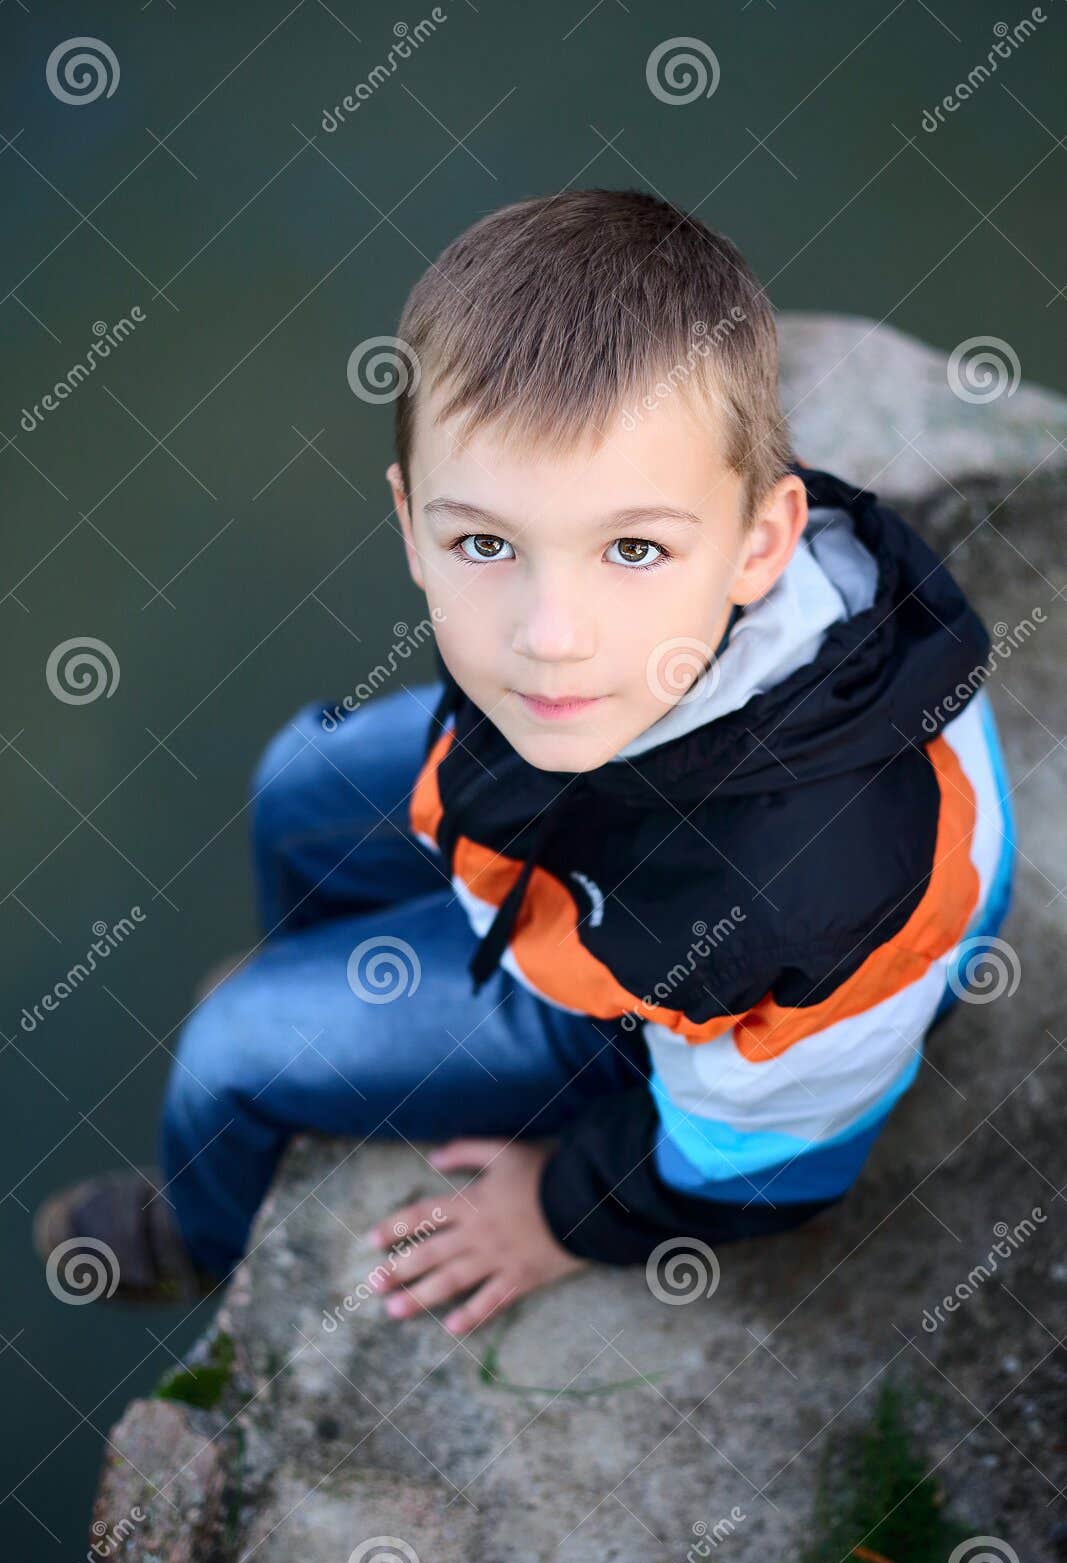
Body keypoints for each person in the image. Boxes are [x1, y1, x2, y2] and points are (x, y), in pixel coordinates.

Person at [34, 187, 1016, 1335]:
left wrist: (563, 1208)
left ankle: (205, 1227)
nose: (550, 633)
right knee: (300, 778)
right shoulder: (624, 654)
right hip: (584, 825)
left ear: (762, 543)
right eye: (485, 542)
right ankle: (347, 979)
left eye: (632, 547)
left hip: (633, 1010)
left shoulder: (816, 904)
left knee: (229, 1050)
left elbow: (767, 1159)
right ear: (411, 527)